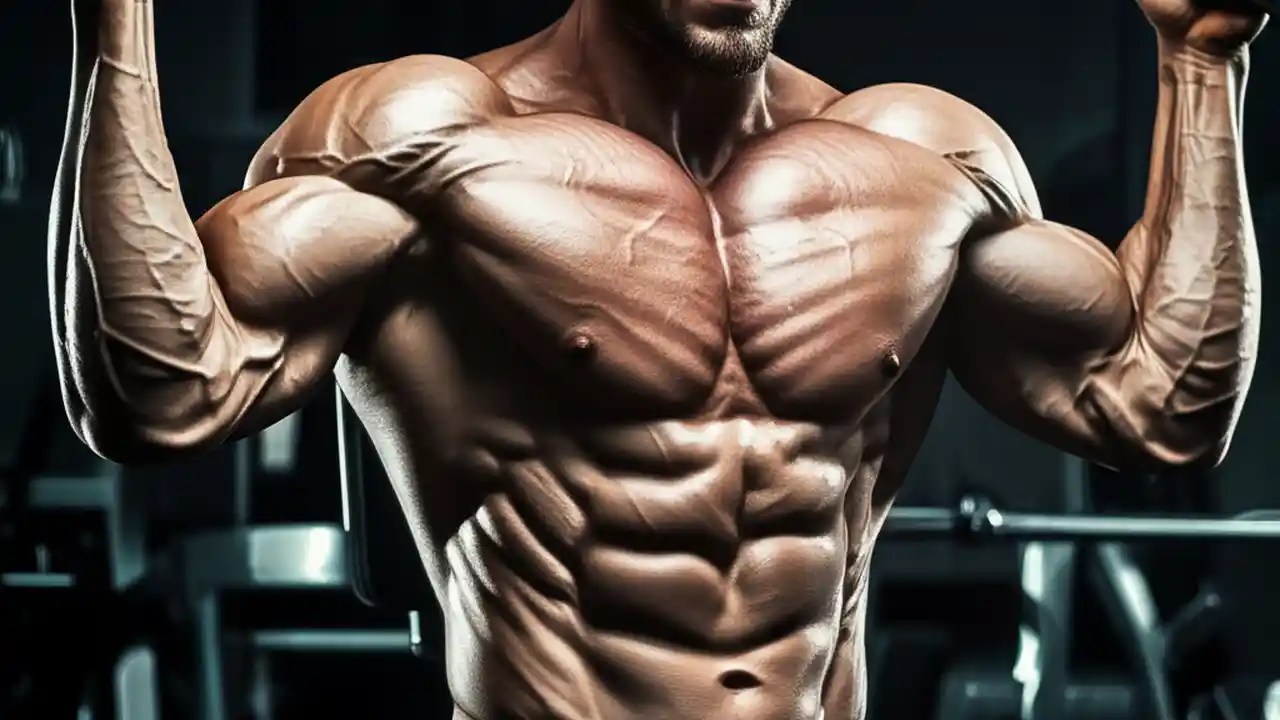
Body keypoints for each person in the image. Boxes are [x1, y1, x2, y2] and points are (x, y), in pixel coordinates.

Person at [48, 0, 1266, 717]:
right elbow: (165, 388)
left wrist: (1201, 60)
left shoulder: (919, 160)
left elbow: (1151, 404)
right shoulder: (424, 139)